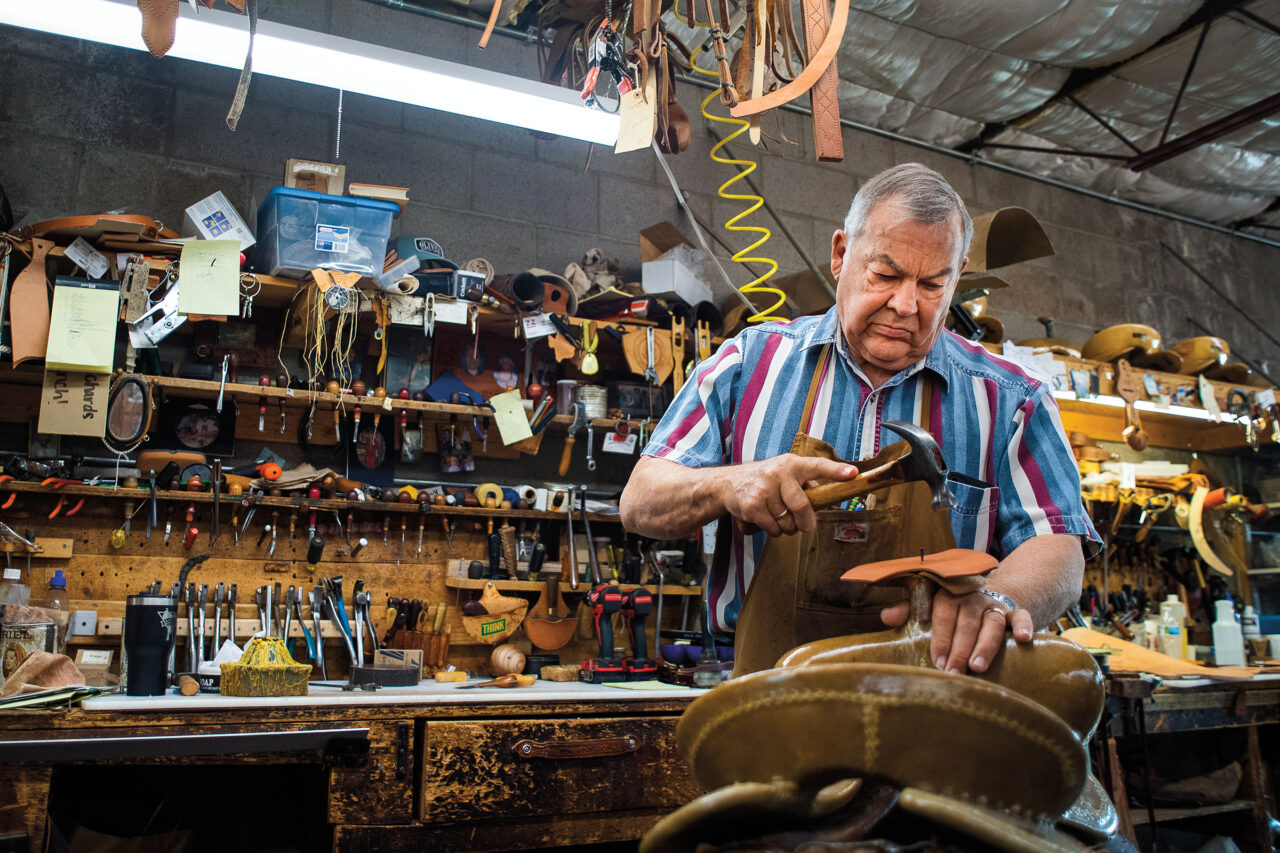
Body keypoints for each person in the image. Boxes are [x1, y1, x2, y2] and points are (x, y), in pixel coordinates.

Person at [620, 163, 1097, 676]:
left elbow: (1059, 547)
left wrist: (999, 597)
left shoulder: (1012, 399)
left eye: (933, 284)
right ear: (842, 254)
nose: (906, 304)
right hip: (765, 693)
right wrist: (730, 484)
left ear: (957, 278)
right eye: (886, 275)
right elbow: (640, 502)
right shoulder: (747, 364)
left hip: (939, 692)